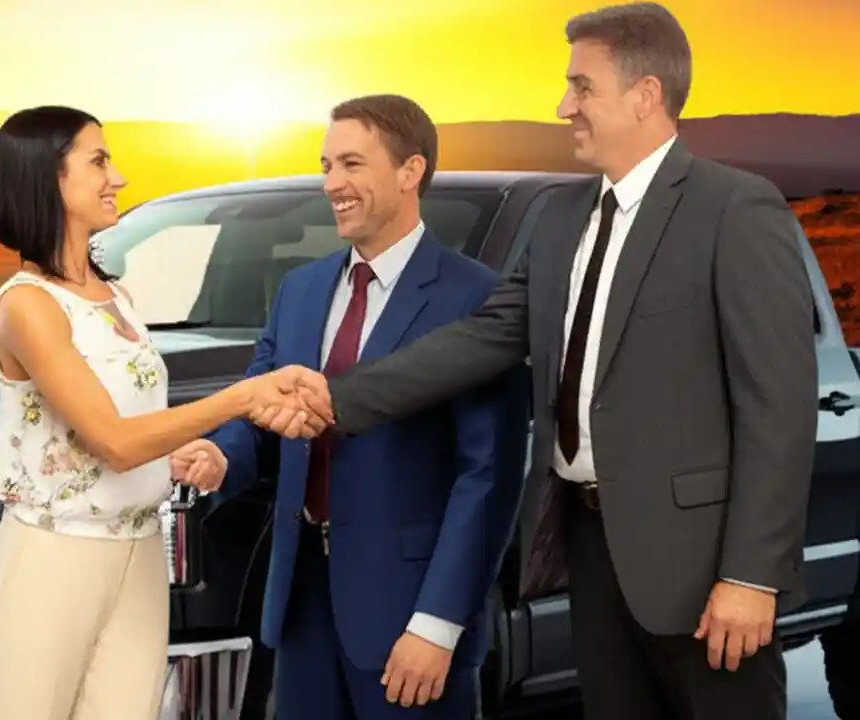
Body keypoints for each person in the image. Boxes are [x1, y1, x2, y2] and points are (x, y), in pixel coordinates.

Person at [262, 4, 817, 719]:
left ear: (645, 94)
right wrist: (334, 399)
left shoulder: (735, 209)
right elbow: (485, 337)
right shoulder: (561, 218)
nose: (564, 106)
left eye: (581, 87)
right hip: (591, 549)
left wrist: (752, 575)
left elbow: (779, 407)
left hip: (703, 566)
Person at [204, 94, 529, 720]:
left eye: (351, 164)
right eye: (326, 165)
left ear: (411, 171)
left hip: (408, 617)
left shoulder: (477, 299)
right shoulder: (300, 290)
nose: (333, 184)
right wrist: (220, 456)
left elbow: (487, 476)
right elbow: (263, 413)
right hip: (299, 608)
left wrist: (437, 626)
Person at [0, 105, 299, 720]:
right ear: (49, 179)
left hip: (140, 549)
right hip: (55, 554)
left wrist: (174, 455)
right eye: (98, 161)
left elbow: (111, 434)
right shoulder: (27, 307)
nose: (117, 177)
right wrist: (243, 398)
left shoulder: (115, 295)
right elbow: (114, 442)